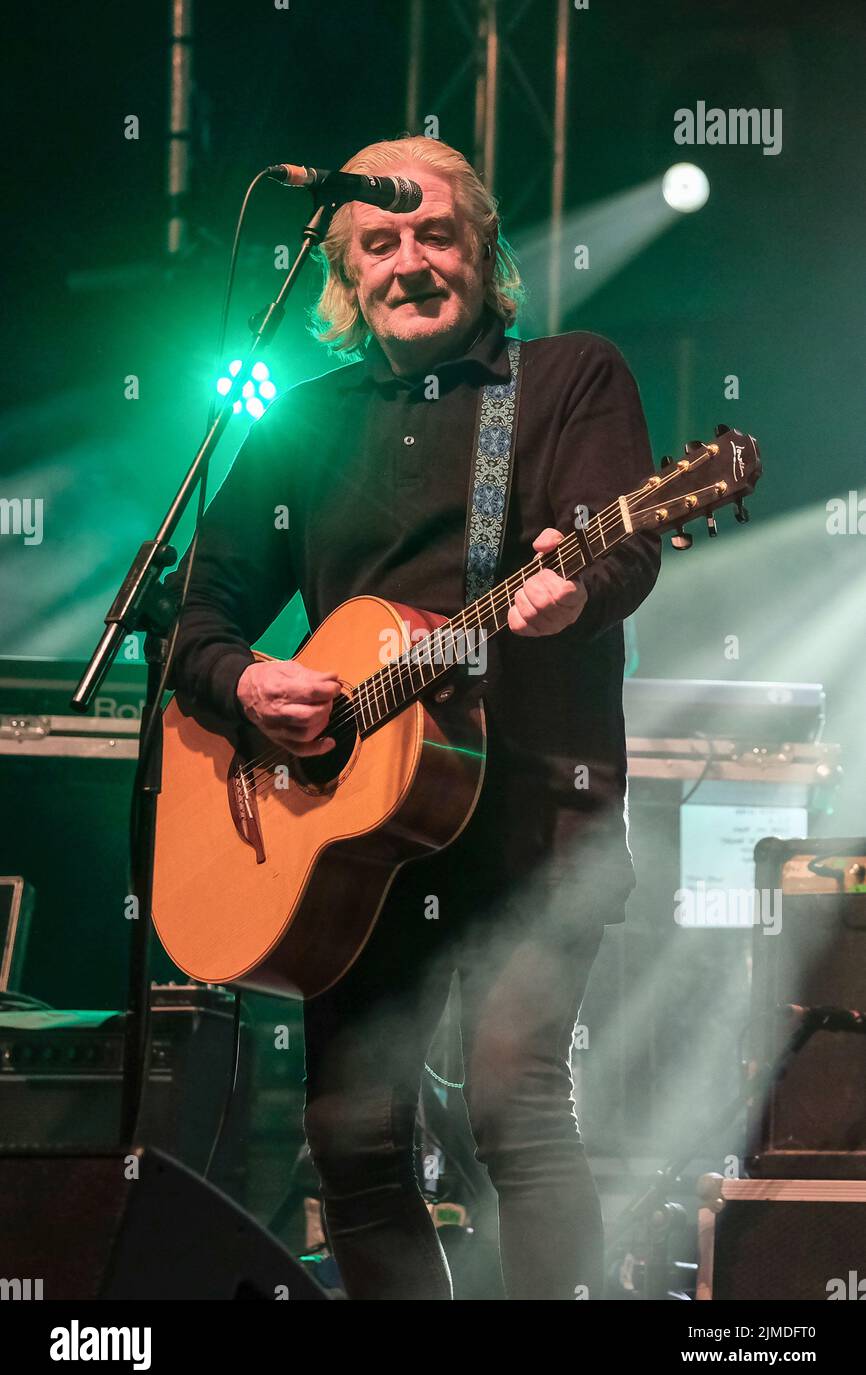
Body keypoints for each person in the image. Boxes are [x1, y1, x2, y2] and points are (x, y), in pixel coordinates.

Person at [166, 136, 661, 1300]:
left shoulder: (565, 378)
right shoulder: (302, 422)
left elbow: (622, 542)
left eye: (433, 233)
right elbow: (198, 619)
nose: (408, 262)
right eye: (375, 244)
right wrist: (245, 684)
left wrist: (573, 585)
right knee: (347, 1134)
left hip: (531, 818)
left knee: (513, 1105)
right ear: (340, 278)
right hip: (352, 840)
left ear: (481, 250)